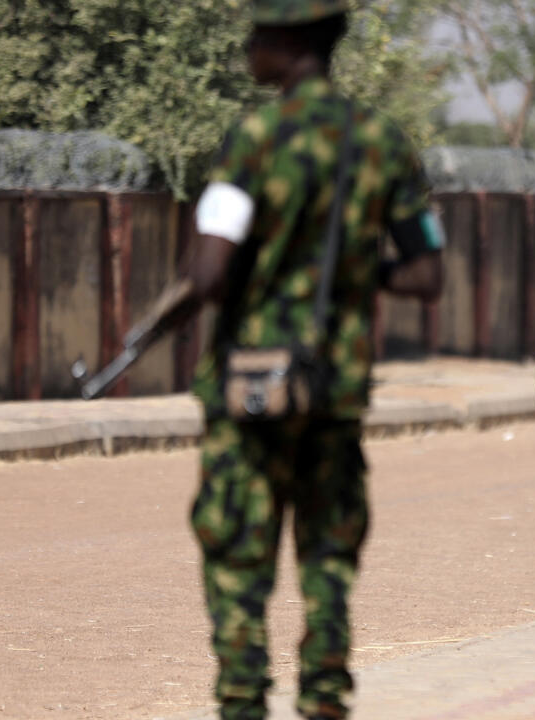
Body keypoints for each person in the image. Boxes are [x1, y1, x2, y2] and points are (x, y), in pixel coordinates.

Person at [184, 2, 444, 717]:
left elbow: (208, 276)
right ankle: (325, 697)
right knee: (327, 557)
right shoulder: (384, 142)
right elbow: (427, 277)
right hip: (332, 389)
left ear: (291, 43)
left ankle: (242, 701)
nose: (248, 49)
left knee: (239, 556)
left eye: (258, 35)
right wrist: (362, 269)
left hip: (251, 391)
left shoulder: (254, 138)